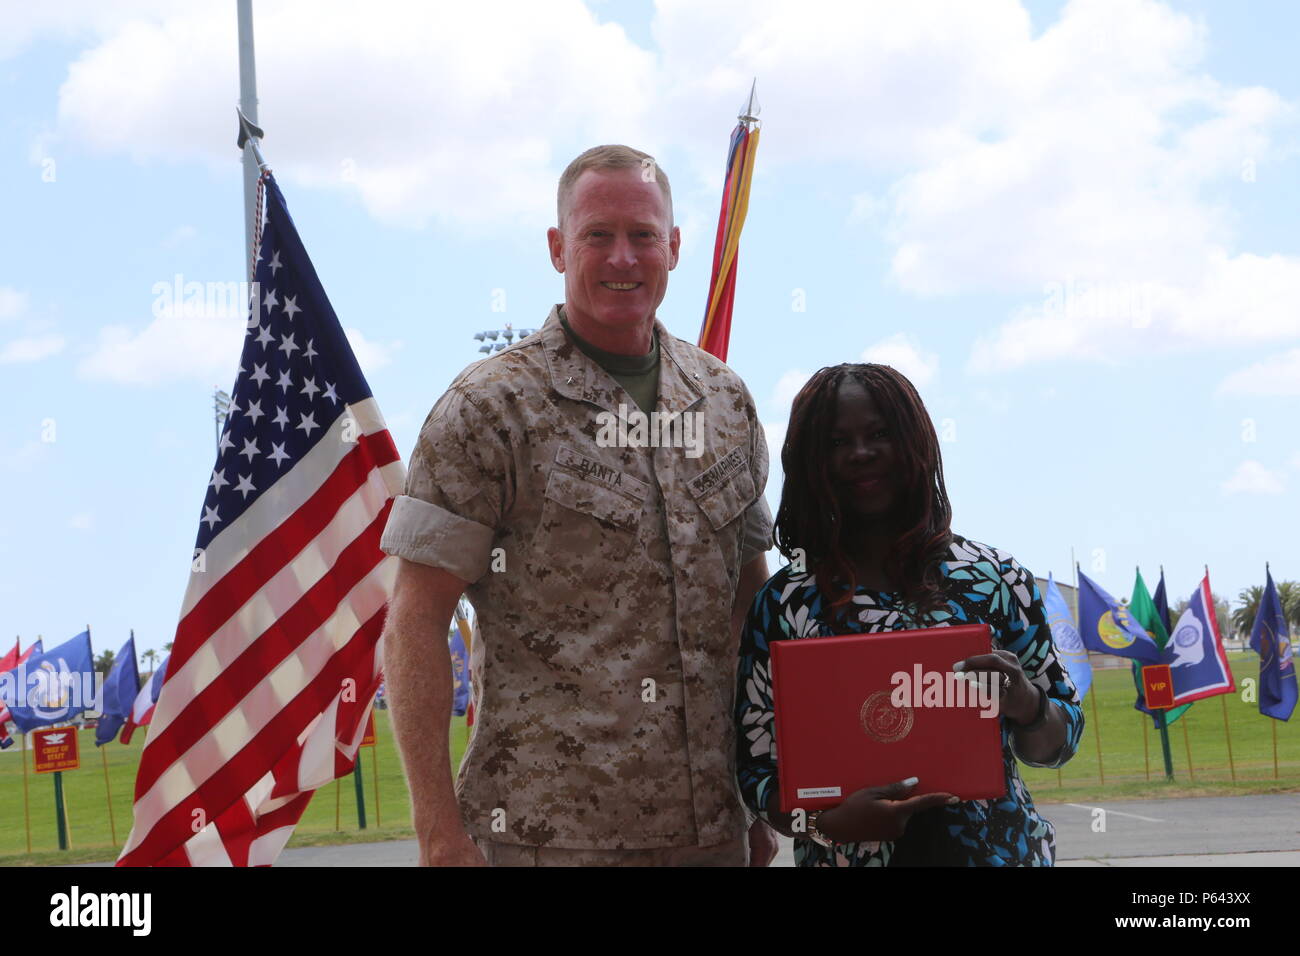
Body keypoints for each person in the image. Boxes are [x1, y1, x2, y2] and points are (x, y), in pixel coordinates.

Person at [379, 144, 778, 866]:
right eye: (598, 235)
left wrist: (762, 794)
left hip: (711, 831)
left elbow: (751, 606)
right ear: (559, 247)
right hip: (546, 838)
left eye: (642, 235)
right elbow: (415, 619)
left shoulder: (725, 403)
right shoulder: (490, 408)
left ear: (675, 247)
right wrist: (439, 832)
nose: (622, 258)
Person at [735, 363, 1084, 866]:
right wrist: (829, 825)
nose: (860, 453)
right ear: (812, 460)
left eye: (879, 433)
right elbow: (757, 773)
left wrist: (1027, 702)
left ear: (914, 442)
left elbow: (1060, 741)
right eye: (837, 441)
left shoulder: (993, 578)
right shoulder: (785, 604)